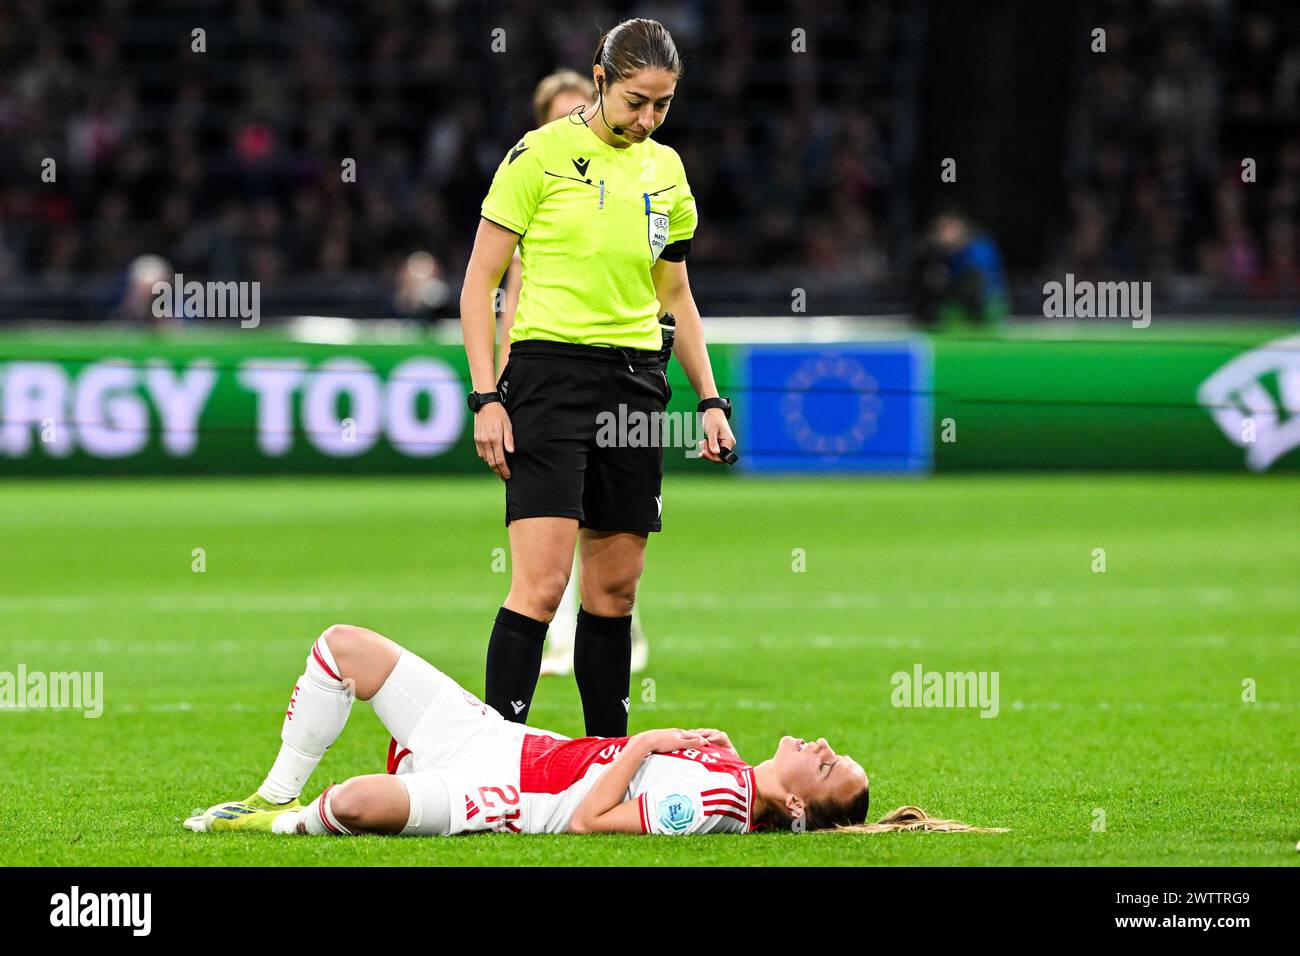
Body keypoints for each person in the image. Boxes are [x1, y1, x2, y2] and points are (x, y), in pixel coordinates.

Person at [459, 19, 737, 739]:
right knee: (544, 585)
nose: (648, 119)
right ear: (602, 78)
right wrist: (487, 397)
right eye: (637, 101)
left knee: (614, 591)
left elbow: (674, 295)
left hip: (638, 383)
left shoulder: (666, 171)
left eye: (664, 105)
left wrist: (709, 399)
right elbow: (478, 284)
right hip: (550, 376)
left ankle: (605, 757)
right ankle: (497, 760)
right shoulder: (538, 156)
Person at [183, 625, 1001, 837]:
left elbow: (588, 821)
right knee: (344, 649)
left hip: (506, 792)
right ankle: (271, 793)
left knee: (357, 804)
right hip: (498, 740)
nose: (821, 747)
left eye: (828, 770)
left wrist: (644, 743)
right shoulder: (722, 763)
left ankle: (281, 818)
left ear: (796, 808)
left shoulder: (718, 801)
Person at [497, 69, 651, 679]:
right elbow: (505, 294)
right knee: (549, 542)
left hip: (618, 375)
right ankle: (563, 636)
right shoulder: (534, 178)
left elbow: (669, 284)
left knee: (609, 535)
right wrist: (498, 388)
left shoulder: (640, 176)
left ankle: (617, 625)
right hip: (546, 379)